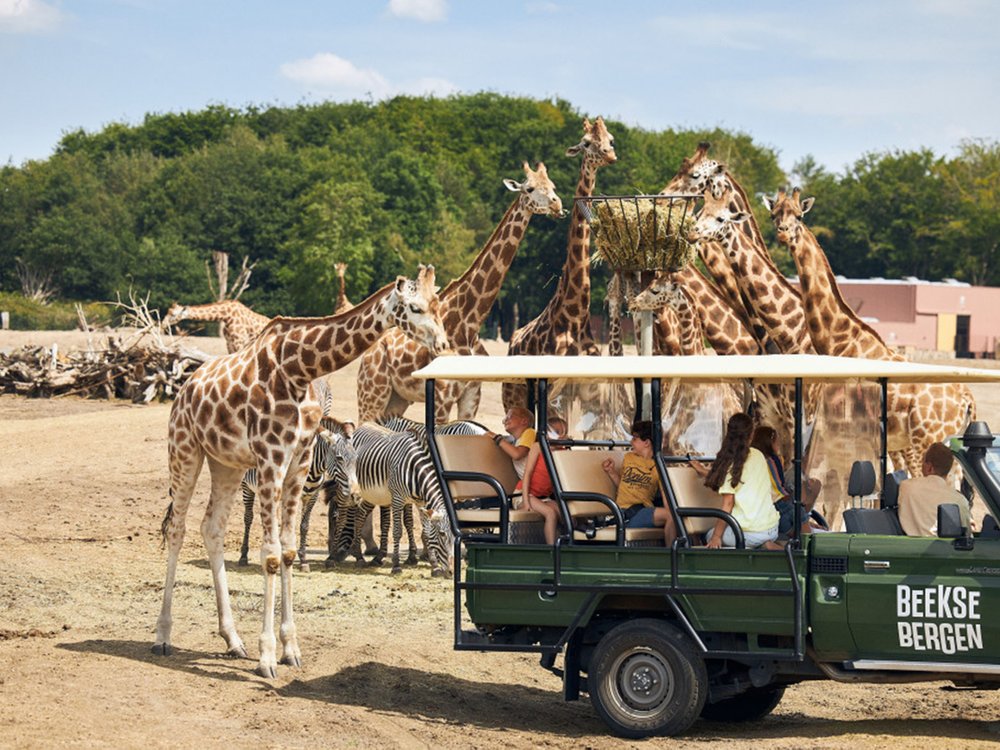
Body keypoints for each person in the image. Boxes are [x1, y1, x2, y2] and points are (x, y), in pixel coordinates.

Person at [690, 413, 781, 549]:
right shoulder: (758, 455)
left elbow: (728, 504)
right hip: (772, 528)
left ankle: (762, 545)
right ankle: (765, 545)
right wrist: (703, 471)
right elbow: (735, 477)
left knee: (709, 536)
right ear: (751, 435)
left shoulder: (731, 463)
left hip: (749, 533)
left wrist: (716, 537)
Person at [601, 420, 677, 546]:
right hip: (623, 513)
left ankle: (672, 554)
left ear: (646, 442)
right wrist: (612, 472)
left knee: (673, 516)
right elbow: (625, 486)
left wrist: (673, 514)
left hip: (642, 511)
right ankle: (671, 556)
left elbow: (665, 495)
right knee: (671, 516)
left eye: (635, 439)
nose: (631, 442)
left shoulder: (658, 466)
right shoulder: (628, 458)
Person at [750, 424, 823, 537]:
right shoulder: (770, 461)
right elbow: (778, 489)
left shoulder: (754, 460)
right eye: (777, 442)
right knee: (798, 510)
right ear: (769, 442)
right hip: (776, 504)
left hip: (768, 505)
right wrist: (791, 497)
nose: (779, 445)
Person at [897, 442, 972, 536]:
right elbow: (967, 537)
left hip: (907, 547)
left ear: (929, 468)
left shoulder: (906, 486)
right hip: (943, 549)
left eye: (923, 462)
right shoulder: (959, 500)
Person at [518, 417, 569, 544]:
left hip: (543, 497)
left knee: (566, 515)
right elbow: (527, 474)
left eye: (564, 432)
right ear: (547, 433)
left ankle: (565, 545)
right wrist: (525, 501)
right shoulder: (538, 447)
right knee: (550, 514)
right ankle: (552, 551)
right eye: (557, 432)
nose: (561, 436)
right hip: (524, 494)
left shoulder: (561, 452)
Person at [485, 406, 536, 479]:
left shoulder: (530, 432)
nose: (504, 421)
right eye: (505, 418)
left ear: (524, 421)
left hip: (536, 479)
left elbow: (517, 454)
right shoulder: (516, 441)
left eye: (509, 416)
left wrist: (497, 438)